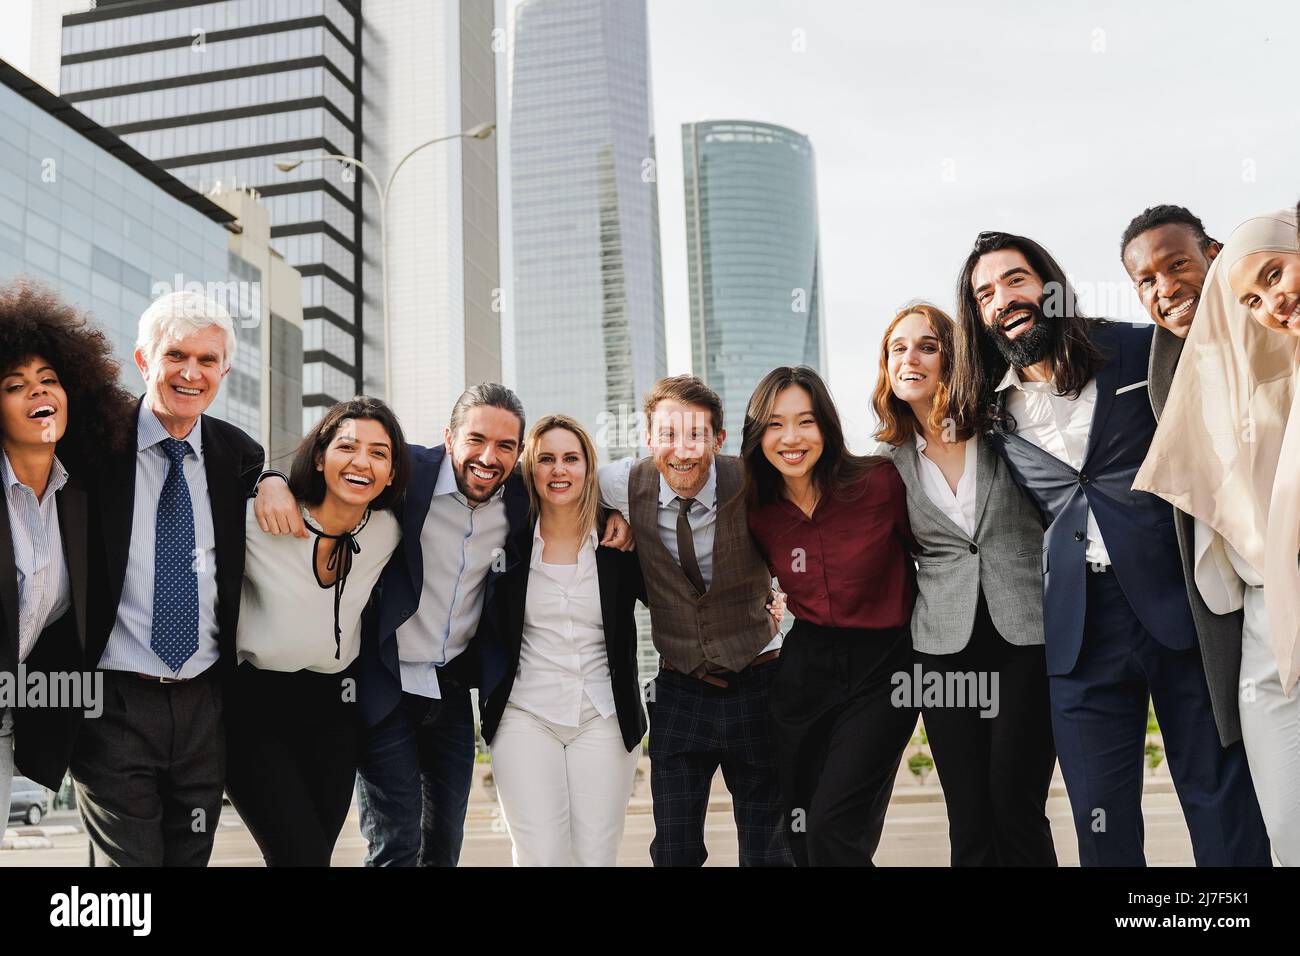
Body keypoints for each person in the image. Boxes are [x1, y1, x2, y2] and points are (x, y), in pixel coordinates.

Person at [947, 230, 1270, 866]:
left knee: (1218, 798)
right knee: (1100, 818)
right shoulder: (989, 410)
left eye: (1016, 280)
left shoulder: (1139, 347)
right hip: (1078, 628)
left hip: (1179, 606)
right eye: (985, 293)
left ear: (1050, 285)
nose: (1003, 299)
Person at [255, 383, 531, 866]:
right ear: (449, 437)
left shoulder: (522, 500)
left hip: (449, 691)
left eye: (505, 446)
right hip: (384, 683)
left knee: (444, 845)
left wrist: (616, 517)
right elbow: (329, 474)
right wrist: (270, 479)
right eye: (476, 439)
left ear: (519, 452)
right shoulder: (404, 476)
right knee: (396, 842)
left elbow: (582, 487)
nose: (489, 457)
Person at [71, 290, 266, 867]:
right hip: (113, 704)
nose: (191, 372)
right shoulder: (93, 444)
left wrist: (272, 478)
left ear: (224, 371)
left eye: (208, 361)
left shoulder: (239, 456)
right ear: (143, 360)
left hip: (206, 707)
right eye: (176, 355)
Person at [1135, 208, 1300, 863]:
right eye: (1252, 298)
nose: (1270, 302)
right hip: (1263, 625)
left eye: (1274, 274)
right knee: (1286, 826)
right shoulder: (1234, 377)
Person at [871, 305, 1057, 866]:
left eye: (927, 346)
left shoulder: (1007, 430)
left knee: (1016, 804)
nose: (910, 358)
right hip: (941, 651)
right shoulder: (885, 466)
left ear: (953, 359)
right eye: (897, 348)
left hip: (1024, 637)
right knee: (969, 815)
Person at [598, 374, 791, 866]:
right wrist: (605, 518)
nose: (681, 451)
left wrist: (786, 587)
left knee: (769, 851)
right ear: (648, 438)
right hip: (679, 688)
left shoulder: (754, 478)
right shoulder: (621, 483)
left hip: (761, 681)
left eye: (695, 435)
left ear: (718, 440)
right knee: (674, 851)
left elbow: (811, 522)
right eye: (667, 435)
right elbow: (557, 483)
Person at [741, 365, 916, 866]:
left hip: (885, 671)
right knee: (799, 837)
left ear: (827, 428)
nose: (790, 438)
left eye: (805, 422)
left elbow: (938, 553)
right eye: (774, 424)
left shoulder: (879, 483)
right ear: (759, 434)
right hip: (805, 671)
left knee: (834, 832)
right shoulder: (756, 508)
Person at [225, 398, 408, 866]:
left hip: (333, 710)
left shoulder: (388, 531)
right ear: (321, 457)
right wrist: (268, 479)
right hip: (253, 710)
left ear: (391, 474)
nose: (361, 462)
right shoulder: (258, 521)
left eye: (379, 453)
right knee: (299, 856)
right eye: (347, 446)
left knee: (312, 857)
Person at [476, 415, 646, 866]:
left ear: (590, 469)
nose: (559, 470)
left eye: (571, 458)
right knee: (542, 856)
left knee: (595, 856)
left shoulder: (619, 544)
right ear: (530, 468)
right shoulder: (506, 540)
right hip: (525, 713)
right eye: (546, 459)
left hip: (604, 715)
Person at [0, 281, 133, 825]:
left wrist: (266, 476)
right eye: (15, 385)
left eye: (49, 380)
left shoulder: (77, 499)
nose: (39, 392)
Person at [1119, 205, 1247, 752]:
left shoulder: (1273, 327)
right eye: (1146, 280)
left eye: (1177, 265)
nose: (1165, 287)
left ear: (1213, 255)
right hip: (1246, 597)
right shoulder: (1163, 371)